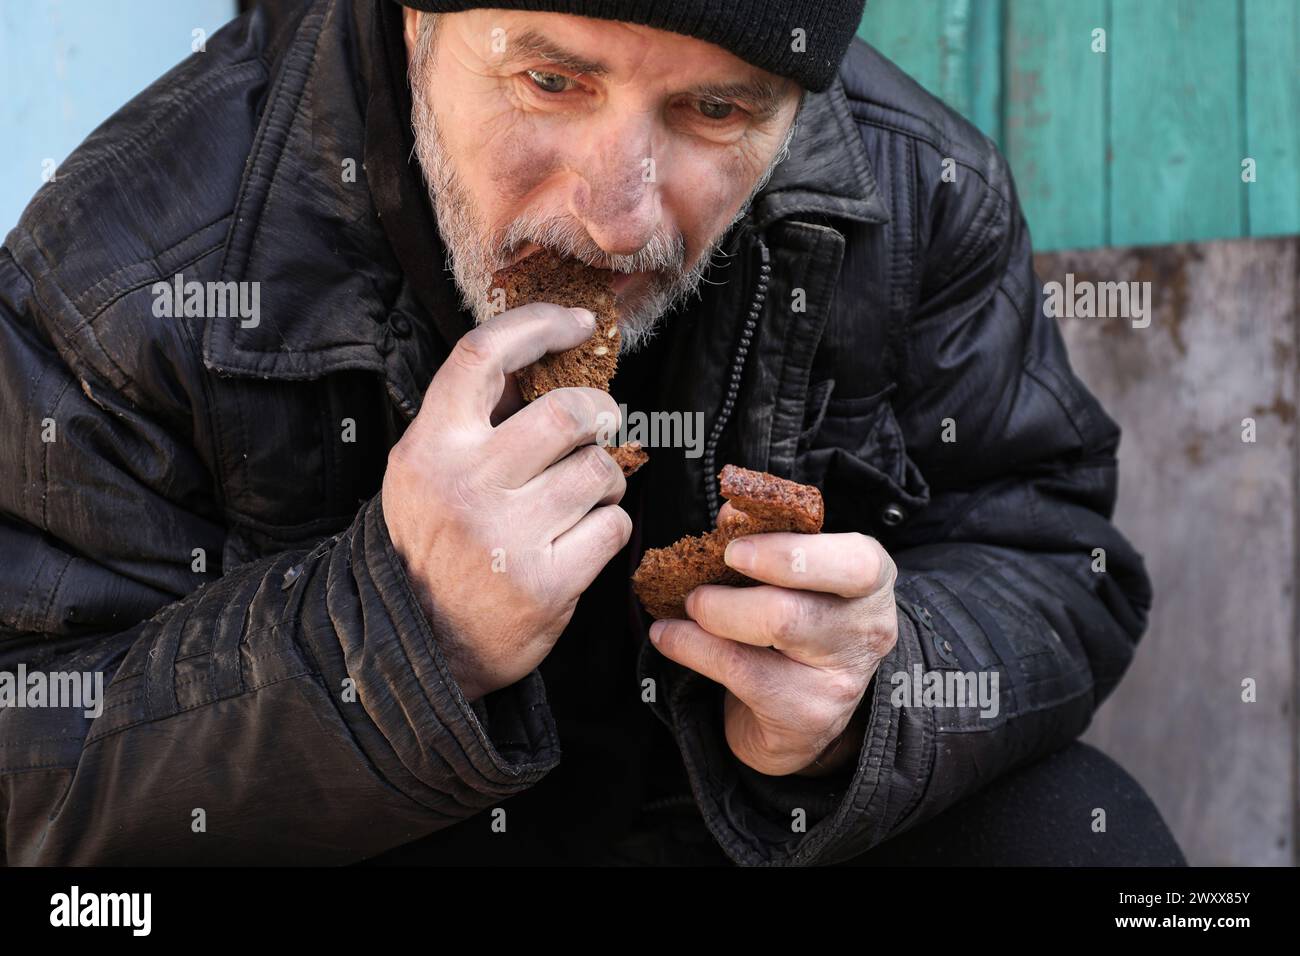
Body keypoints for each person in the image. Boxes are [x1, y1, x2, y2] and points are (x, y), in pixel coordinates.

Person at [0, 0, 1180, 865]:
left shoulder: (920, 189)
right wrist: (403, 634)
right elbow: (31, 764)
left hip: (730, 838)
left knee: (1081, 839)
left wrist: (871, 696)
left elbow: (1046, 551)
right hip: (360, 846)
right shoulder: (126, 268)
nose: (615, 217)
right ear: (419, 22)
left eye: (715, 110)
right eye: (550, 83)